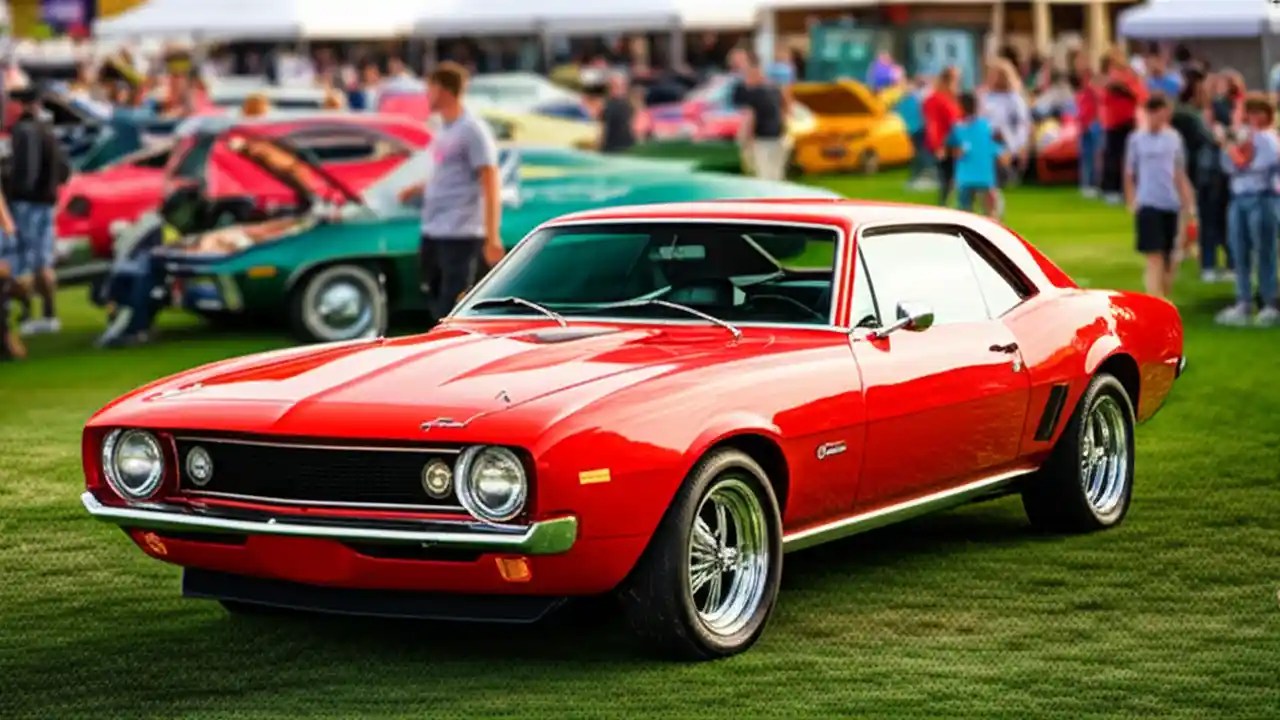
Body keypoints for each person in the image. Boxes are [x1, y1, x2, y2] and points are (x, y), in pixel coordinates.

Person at [397, 62, 504, 321]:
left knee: (452, 306)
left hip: (460, 234)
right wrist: (417, 188)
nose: (426, 96)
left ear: (444, 91)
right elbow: (446, 174)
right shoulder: (443, 129)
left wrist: (492, 237)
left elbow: (490, 180)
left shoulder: (472, 130)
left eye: (430, 89)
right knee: (433, 298)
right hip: (434, 230)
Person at [6, 87, 70, 336]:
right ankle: (49, 313)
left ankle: (26, 314)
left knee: (24, 262)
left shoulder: (24, 130)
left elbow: (27, 172)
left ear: (21, 104)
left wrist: (16, 191)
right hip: (46, 201)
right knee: (42, 261)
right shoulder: (47, 129)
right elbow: (64, 169)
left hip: (28, 202)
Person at [1216, 94, 1280, 326]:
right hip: (1238, 197)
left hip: (1262, 196)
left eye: (1258, 112)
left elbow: (1258, 164)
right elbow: (1227, 165)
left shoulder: (1268, 138)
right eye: (1249, 112)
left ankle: (1269, 302)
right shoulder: (1241, 138)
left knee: (1265, 251)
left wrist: (1237, 154)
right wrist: (1232, 148)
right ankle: (1243, 301)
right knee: (1239, 252)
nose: (1252, 117)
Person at [1123, 94, 1196, 299]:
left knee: (1170, 257)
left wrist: (1188, 202)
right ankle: (1155, 298)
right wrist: (1132, 200)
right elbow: (1129, 172)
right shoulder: (1136, 139)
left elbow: (1179, 172)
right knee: (1153, 255)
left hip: (1170, 202)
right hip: (1148, 201)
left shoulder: (1173, 138)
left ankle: (1165, 296)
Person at [1171, 70, 1231, 282]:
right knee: (1213, 219)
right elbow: (1213, 139)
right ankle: (1211, 264)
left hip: (1206, 172)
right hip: (1210, 173)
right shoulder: (1192, 116)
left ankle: (1213, 263)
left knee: (1213, 219)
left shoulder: (1191, 113)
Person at [979, 59, 1031, 218]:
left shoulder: (1013, 99)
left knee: (992, 183)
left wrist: (1016, 145)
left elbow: (1022, 123)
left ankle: (994, 215)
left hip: (1002, 144)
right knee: (984, 183)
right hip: (984, 142)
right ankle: (989, 214)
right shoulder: (985, 96)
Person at [948, 92, 1005, 218]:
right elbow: (997, 147)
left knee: (966, 212)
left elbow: (951, 148)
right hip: (982, 175)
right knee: (988, 212)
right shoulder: (986, 126)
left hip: (968, 176)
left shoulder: (959, 128)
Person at [733, 52, 788, 182]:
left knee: (763, 173)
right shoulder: (775, 90)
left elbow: (750, 118)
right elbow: (784, 109)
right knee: (776, 173)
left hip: (762, 138)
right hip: (778, 136)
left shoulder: (753, 95)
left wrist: (746, 139)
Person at [1100, 50, 1145, 205]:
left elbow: (1139, 95)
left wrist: (1123, 88)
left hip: (1129, 122)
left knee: (1129, 159)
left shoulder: (1130, 76)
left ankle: (1126, 190)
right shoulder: (1109, 77)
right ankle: (1112, 190)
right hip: (1113, 123)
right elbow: (1105, 95)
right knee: (1113, 157)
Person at [924, 66, 963, 207]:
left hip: (954, 143)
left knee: (951, 179)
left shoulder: (951, 98)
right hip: (945, 145)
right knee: (947, 179)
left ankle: (949, 205)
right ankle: (945, 205)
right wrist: (937, 146)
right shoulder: (936, 99)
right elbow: (933, 124)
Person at [1073, 54, 1103, 197]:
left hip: (1092, 124)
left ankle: (1092, 184)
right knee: (1086, 157)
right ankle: (1086, 184)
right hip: (1085, 125)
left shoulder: (1093, 89)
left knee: (1092, 156)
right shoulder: (1083, 92)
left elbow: (1097, 107)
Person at [897, 76, 932, 190]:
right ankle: (918, 175)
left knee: (918, 152)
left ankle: (918, 175)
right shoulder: (914, 98)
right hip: (917, 129)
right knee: (919, 152)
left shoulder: (910, 98)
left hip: (915, 129)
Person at [599, 72, 636, 154]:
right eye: (614, 87)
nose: (617, 89)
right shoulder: (607, 106)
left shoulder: (632, 105)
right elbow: (602, 129)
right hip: (611, 149)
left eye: (620, 86)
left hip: (626, 149)